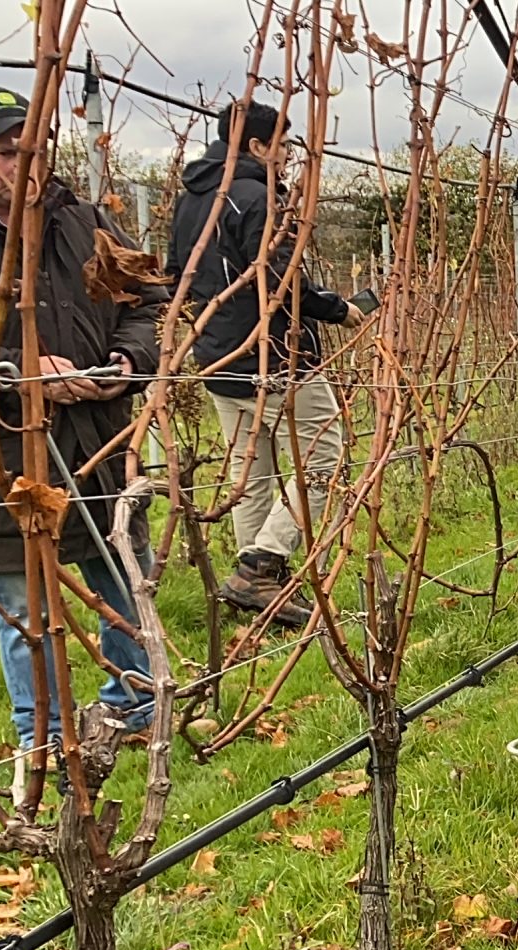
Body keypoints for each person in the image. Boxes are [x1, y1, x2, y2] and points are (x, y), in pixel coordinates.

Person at [0, 86, 166, 751]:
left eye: (38, 148)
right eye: (6, 153)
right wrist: (18, 373)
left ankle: (135, 706)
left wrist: (126, 360)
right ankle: (46, 737)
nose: (28, 165)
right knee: (24, 600)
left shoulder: (84, 220)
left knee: (123, 573)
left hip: (100, 438)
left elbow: (149, 301)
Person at [169, 98, 366, 629]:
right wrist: (338, 309)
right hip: (276, 355)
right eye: (281, 146)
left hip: (217, 357)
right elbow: (281, 282)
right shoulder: (256, 197)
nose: (286, 158)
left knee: (248, 473)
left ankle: (251, 596)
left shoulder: (190, 201)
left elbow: (176, 277)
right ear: (257, 146)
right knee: (325, 457)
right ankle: (263, 562)